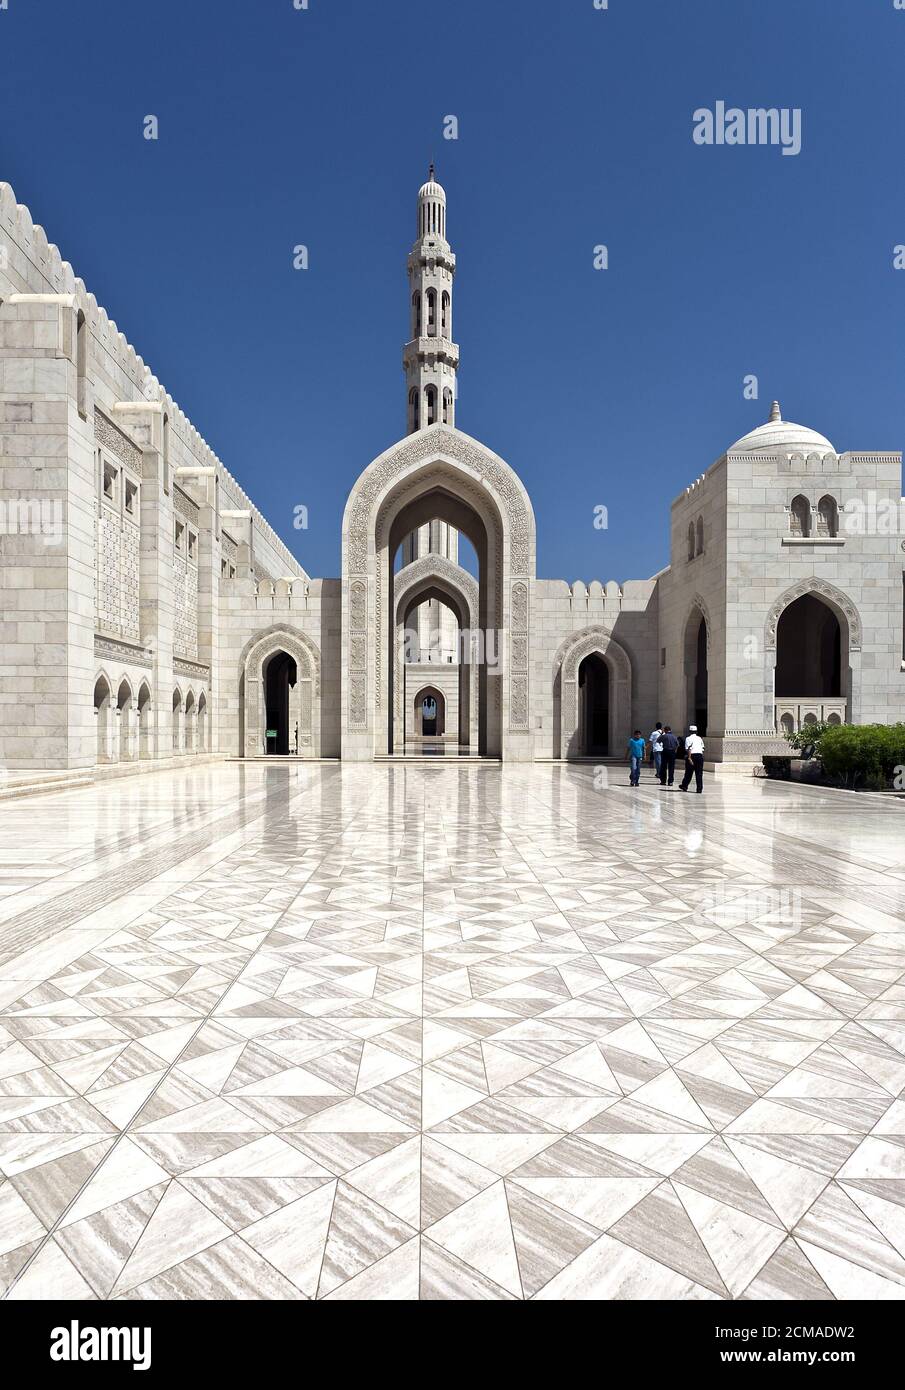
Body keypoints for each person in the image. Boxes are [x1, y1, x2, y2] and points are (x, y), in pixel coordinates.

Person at [680, 725, 705, 793]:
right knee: (699, 774)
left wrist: (689, 758)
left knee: (688, 772)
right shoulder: (699, 738)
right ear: (696, 732)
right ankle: (699, 789)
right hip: (699, 756)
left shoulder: (688, 738)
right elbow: (703, 748)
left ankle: (684, 786)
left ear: (690, 731)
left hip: (692, 756)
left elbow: (689, 749)